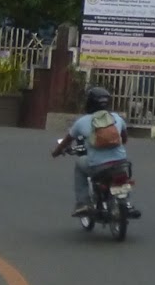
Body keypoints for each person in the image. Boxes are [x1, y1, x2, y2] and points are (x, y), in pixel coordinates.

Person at [51, 86, 134, 218]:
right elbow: (124, 139)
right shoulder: (116, 118)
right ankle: (127, 204)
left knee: (79, 164)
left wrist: (56, 152)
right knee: (123, 179)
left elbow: (66, 141)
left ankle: (83, 203)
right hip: (121, 163)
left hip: (98, 166)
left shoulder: (82, 122)